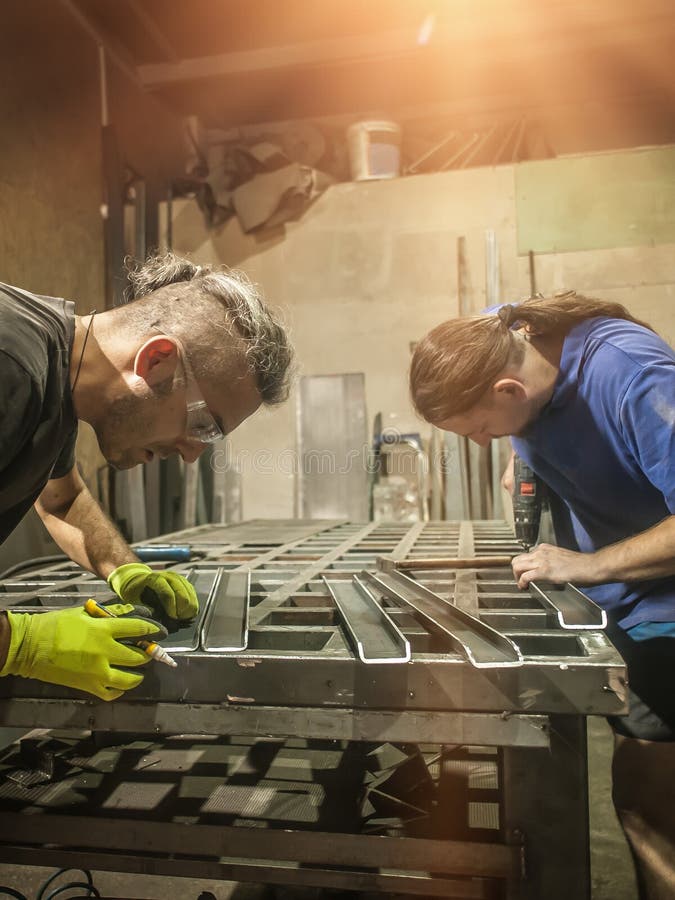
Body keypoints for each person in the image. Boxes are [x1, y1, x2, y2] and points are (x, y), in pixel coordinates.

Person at [409, 291, 674, 900]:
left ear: (509, 391)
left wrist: (589, 564)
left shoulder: (632, 375)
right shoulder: (510, 333)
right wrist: (518, 454)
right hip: (621, 600)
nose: (478, 443)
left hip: (666, 608)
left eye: (478, 429)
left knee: (651, 806)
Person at [0, 252, 293, 701]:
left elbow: (61, 498)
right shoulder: (12, 368)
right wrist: (21, 644)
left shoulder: (57, 379)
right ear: (156, 360)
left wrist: (128, 572)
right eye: (203, 426)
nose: (193, 454)